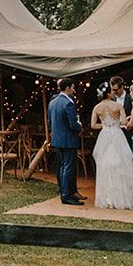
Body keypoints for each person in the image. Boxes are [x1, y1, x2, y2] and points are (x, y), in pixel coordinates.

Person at [91, 84, 133, 209]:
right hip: (117, 134)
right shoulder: (118, 106)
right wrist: (118, 123)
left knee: (105, 165)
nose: (113, 93)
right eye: (112, 91)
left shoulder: (97, 107)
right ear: (108, 93)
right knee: (122, 163)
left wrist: (105, 126)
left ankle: (108, 197)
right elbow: (124, 122)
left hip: (105, 136)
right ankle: (122, 197)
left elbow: (93, 125)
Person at [47, 77, 83, 205]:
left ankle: (65, 191)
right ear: (67, 88)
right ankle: (66, 195)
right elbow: (73, 124)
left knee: (62, 166)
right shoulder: (69, 103)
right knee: (68, 167)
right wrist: (80, 126)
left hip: (57, 138)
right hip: (68, 139)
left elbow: (49, 122)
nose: (74, 90)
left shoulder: (53, 101)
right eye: (73, 87)